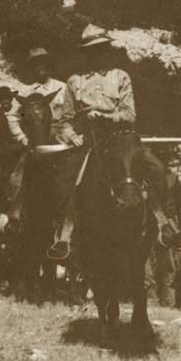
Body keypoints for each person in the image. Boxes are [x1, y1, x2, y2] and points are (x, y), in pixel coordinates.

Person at [50, 25, 136, 259]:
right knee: (67, 180)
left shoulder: (120, 76)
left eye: (101, 49)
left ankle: (164, 220)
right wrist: (71, 135)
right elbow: (64, 119)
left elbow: (129, 114)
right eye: (91, 51)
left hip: (118, 138)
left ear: (108, 50)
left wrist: (105, 117)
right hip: (86, 141)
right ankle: (64, 235)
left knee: (153, 167)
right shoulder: (74, 81)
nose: (97, 55)